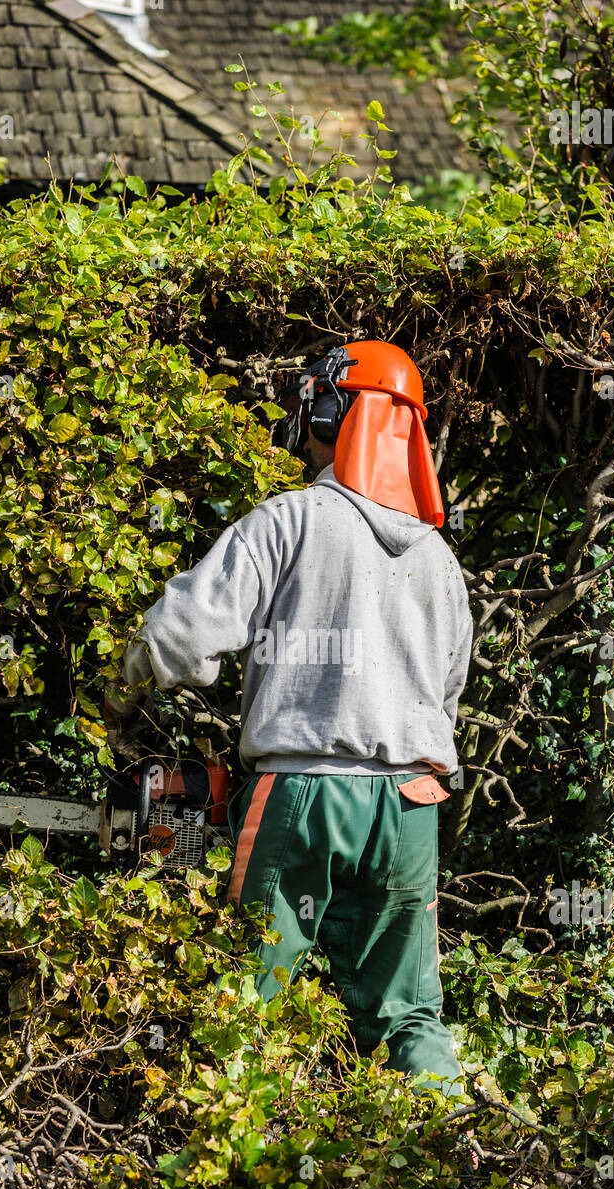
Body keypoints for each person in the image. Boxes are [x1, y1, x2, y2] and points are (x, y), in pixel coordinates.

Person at [104, 341, 473, 1096]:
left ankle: (226, 1170)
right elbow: (447, 692)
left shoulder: (289, 522)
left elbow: (180, 637)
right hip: (412, 803)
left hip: (305, 793)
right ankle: (447, 1159)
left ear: (335, 410)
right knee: (406, 1013)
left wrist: (118, 698)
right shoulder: (439, 559)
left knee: (248, 992)